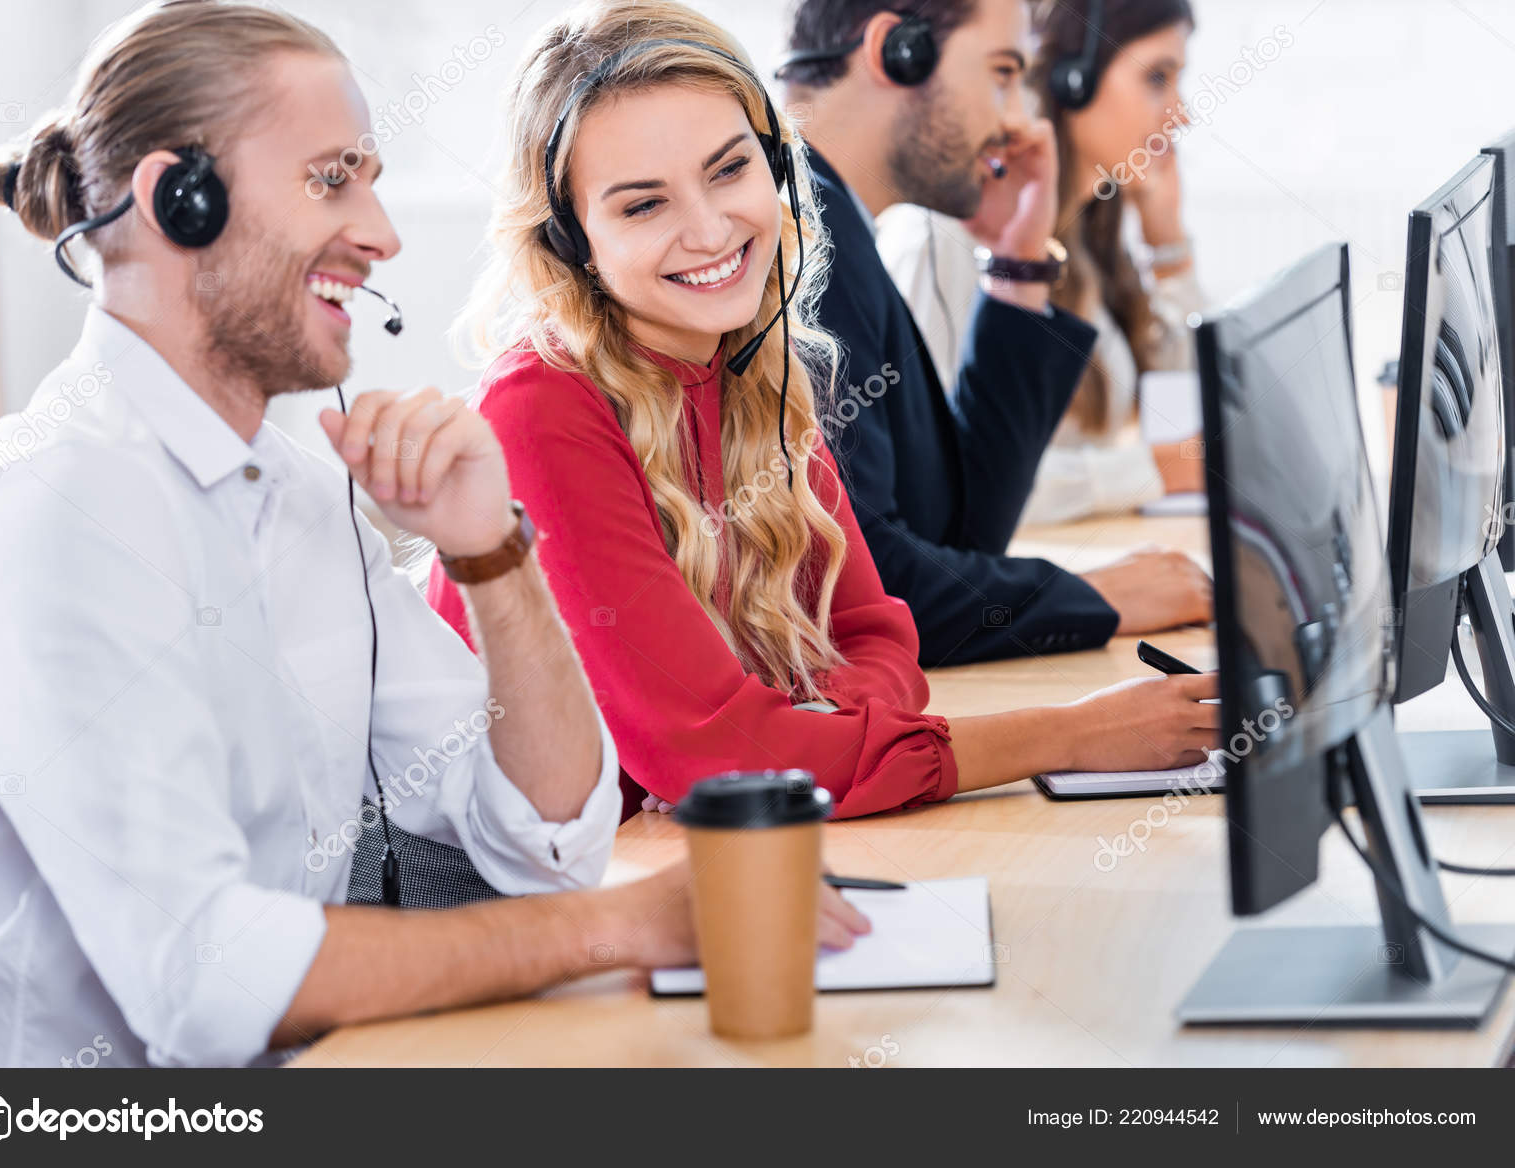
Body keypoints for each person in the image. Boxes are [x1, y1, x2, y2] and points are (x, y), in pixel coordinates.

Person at [0, 0, 867, 1069]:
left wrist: (492, 554)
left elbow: (545, 837)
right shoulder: (55, 514)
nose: (382, 233)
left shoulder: (300, 489)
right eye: (333, 179)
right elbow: (205, 978)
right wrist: (626, 925)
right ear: (177, 201)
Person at [427, 0, 1220, 820]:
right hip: (531, 899)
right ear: (569, 240)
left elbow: (878, 635)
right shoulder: (541, 410)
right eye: (642, 205)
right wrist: (1070, 735)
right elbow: (721, 756)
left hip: (691, 855)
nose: (709, 230)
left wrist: (826, 728)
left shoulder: (755, 367)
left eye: (730, 169)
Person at [779, 0, 1211, 667]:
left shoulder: (840, 231)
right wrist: (1094, 595)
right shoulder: (803, 248)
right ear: (899, 52)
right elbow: (865, 587)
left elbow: (962, 534)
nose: (1017, 119)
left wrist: (1016, 266)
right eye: (1004, 73)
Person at [878, 0, 1204, 525]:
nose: (1182, 113)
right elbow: (938, 487)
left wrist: (1167, 247)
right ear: (1073, 80)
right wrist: (1153, 471)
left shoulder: (1086, 231)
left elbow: (1183, 399)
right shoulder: (940, 239)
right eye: (1157, 79)